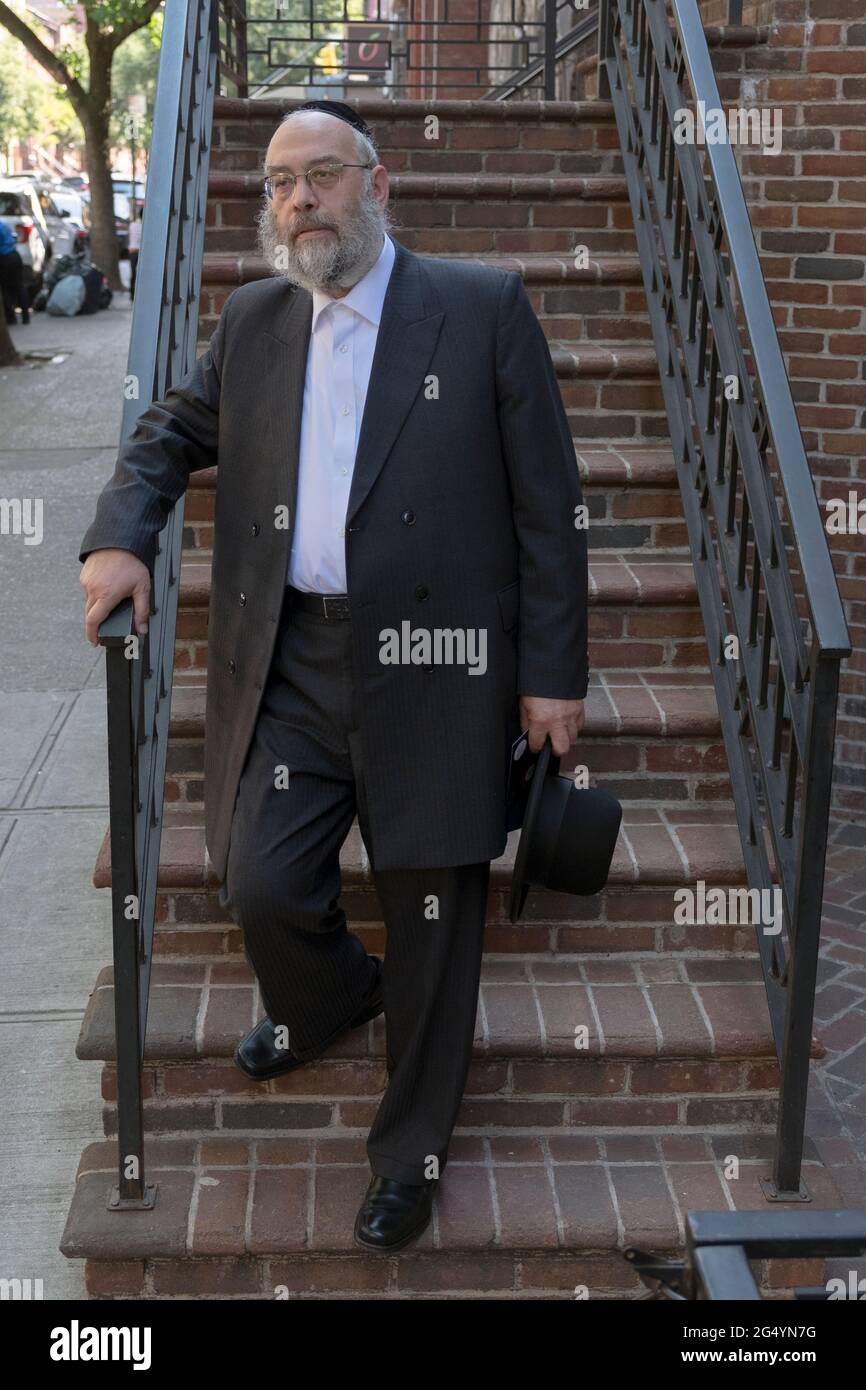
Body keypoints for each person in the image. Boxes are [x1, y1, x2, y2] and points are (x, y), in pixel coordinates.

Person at [77, 100, 589, 1252]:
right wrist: (121, 532)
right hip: (297, 657)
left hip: (441, 669)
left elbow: (548, 513)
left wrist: (551, 675)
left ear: (378, 182)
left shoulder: (478, 307)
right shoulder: (257, 319)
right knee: (259, 880)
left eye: (323, 176)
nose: (300, 200)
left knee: (432, 924)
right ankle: (326, 997)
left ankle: (407, 1153)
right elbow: (168, 432)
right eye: (279, 184)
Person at [0, 218, 30, 325]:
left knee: (5, 289)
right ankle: (26, 317)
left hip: (4, 258)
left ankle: (11, 318)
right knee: (19, 286)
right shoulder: (4, 225)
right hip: (15, 256)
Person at [127, 203, 142, 299]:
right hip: (141, 252)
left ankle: (132, 294)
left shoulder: (132, 225)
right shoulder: (146, 227)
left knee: (133, 273)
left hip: (132, 251)